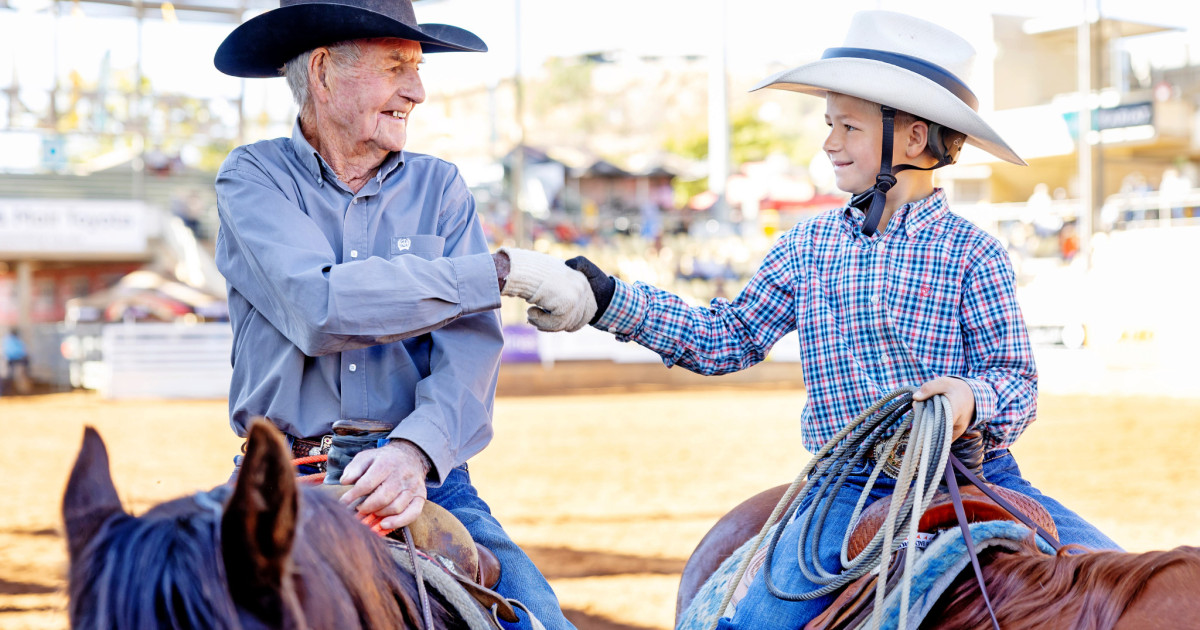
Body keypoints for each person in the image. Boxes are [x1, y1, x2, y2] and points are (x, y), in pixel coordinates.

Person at [502, 11, 1121, 627]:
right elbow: (728, 337)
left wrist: (969, 397)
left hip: (975, 478)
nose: (829, 142)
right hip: (851, 490)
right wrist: (607, 298)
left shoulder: (974, 252)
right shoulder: (808, 246)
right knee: (750, 624)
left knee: (1123, 586)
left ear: (912, 140)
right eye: (830, 124)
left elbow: (1016, 381)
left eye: (848, 126)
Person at [211, 1, 593, 627]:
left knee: (541, 620)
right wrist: (498, 274)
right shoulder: (254, 177)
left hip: (427, 477)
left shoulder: (441, 188)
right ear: (324, 71)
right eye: (396, 67)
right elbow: (321, 308)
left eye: (417, 69)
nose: (417, 91)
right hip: (278, 478)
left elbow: (469, 351)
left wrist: (412, 452)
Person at [3, 329, 31, 395]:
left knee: (15, 375)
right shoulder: (15, 340)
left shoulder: (7, 340)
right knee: (19, 375)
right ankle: (20, 391)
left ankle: (17, 391)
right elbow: (22, 351)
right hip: (17, 360)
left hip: (13, 360)